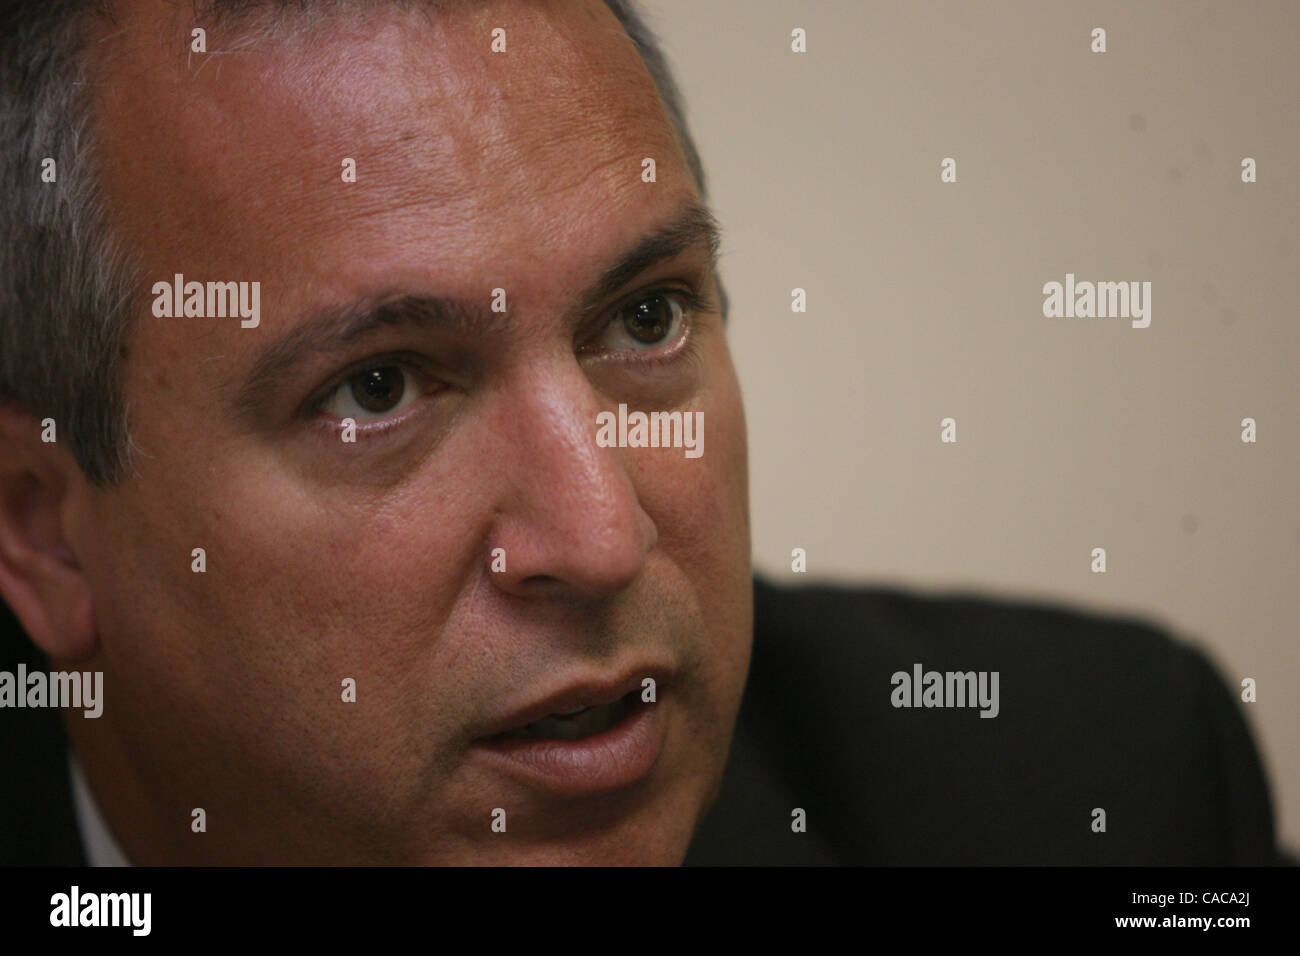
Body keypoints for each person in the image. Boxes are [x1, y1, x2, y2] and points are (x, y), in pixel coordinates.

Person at [0, 0, 1284, 866]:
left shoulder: (1097, 797)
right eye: (377, 389)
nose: (603, 537)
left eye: (646, 315)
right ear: (46, 533)